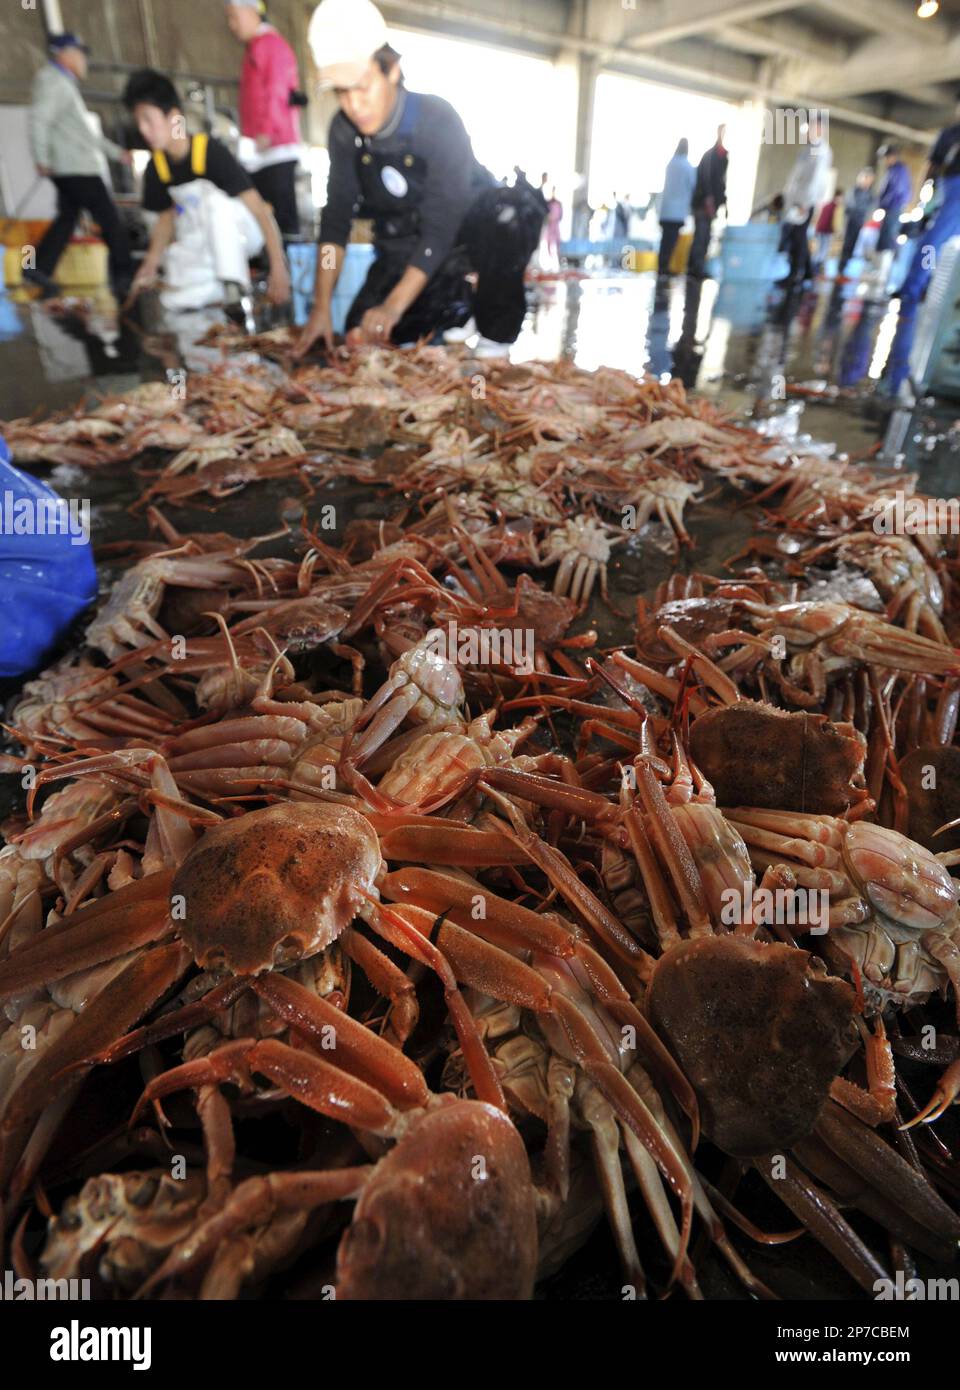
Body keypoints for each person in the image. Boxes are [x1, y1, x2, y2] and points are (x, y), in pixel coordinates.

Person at [295, 0, 544, 359]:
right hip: (405, 252)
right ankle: (453, 306)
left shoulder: (438, 120)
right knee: (360, 337)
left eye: (362, 87)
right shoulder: (344, 132)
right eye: (340, 92)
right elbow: (335, 226)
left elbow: (440, 230)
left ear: (391, 69)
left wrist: (394, 306)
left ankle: (493, 338)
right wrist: (320, 309)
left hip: (459, 242)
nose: (353, 105)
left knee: (509, 214)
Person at [122, 69, 290, 313]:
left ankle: (234, 287)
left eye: (148, 119)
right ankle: (218, 293)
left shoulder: (210, 152)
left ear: (174, 117)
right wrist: (150, 264)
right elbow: (166, 220)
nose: (144, 129)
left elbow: (259, 210)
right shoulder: (156, 167)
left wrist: (278, 266)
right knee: (175, 298)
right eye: (139, 122)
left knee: (214, 201)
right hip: (204, 239)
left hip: (243, 233)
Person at [26, 32, 135, 300]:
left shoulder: (63, 84)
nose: (84, 60)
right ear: (65, 55)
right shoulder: (56, 84)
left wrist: (116, 152)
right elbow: (39, 120)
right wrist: (41, 158)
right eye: (80, 54)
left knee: (67, 218)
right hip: (76, 168)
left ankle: (39, 267)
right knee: (109, 219)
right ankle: (124, 275)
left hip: (69, 166)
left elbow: (85, 134)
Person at [885, 97, 960, 394]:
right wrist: (918, 199)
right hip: (950, 188)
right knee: (931, 243)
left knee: (938, 243)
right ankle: (915, 290)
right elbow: (931, 165)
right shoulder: (950, 135)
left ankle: (920, 288)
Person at [225, 0, 304, 237]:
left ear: (252, 12)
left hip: (274, 148)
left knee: (281, 220)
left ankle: (288, 269)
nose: (231, 25)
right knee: (263, 219)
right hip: (260, 151)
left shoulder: (270, 45)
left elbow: (276, 90)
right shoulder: (256, 47)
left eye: (234, 17)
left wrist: (266, 132)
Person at [776, 114, 832, 289]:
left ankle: (795, 274)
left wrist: (805, 203)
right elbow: (796, 176)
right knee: (797, 235)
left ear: (819, 129)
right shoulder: (808, 149)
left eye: (811, 127)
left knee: (798, 237)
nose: (808, 131)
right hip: (796, 200)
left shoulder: (821, 150)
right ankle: (807, 271)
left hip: (804, 202)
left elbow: (816, 179)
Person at [687, 125, 728, 281]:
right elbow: (707, 179)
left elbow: (721, 182)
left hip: (709, 204)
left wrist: (723, 202)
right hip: (703, 205)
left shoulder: (722, 156)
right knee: (702, 236)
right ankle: (695, 268)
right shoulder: (711, 156)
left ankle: (695, 267)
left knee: (703, 236)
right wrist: (710, 199)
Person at [872, 144, 912, 293]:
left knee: (888, 238)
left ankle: (883, 274)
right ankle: (880, 271)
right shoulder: (892, 170)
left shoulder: (899, 170)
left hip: (893, 208)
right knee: (884, 237)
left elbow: (897, 191)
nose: (885, 161)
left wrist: (884, 204)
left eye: (886, 158)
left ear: (892, 156)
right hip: (889, 208)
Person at [658, 138, 696, 277]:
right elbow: (692, 186)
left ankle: (661, 266)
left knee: (664, 240)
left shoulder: (670, 164)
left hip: (666, 210)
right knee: (671, 240)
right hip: (677, 212)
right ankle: (665, 267)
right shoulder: (687, 166)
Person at [836, 167, 875, 279]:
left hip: (860, 222)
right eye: (865, 177)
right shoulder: (854, 191)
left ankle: (845, 268)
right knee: (847, 244)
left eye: (869, 178)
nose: (866, 180)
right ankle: (841, 269)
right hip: (851, 220)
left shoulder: (870, 194)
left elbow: (871, 207)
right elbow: (850, 205)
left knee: (853, 245)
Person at [813, 187, 842, 274]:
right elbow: (833, 221)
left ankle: (816, 266)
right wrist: (836, 230)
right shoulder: (834, 207)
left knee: (820, 249)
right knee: (823, 249)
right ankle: (817, 267)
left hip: (821, 230)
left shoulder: (827, 205)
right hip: (825, 230)